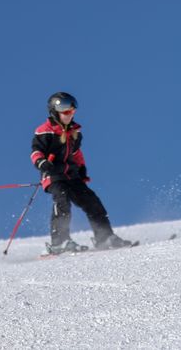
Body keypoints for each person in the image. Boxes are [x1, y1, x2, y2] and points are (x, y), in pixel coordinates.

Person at [31, 92, 134, 254]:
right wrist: (41, 162)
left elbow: (76, 153)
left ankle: (105, 237)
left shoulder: (75, 132)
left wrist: (81, 168)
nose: (69, 114)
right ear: (54, 112)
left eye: (72, 111)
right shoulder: (45, 131)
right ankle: (60, 242)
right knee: (62, 201)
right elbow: (36, 151)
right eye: (65, 111)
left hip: (71, 175)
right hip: (53, 175)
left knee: (92, 201)